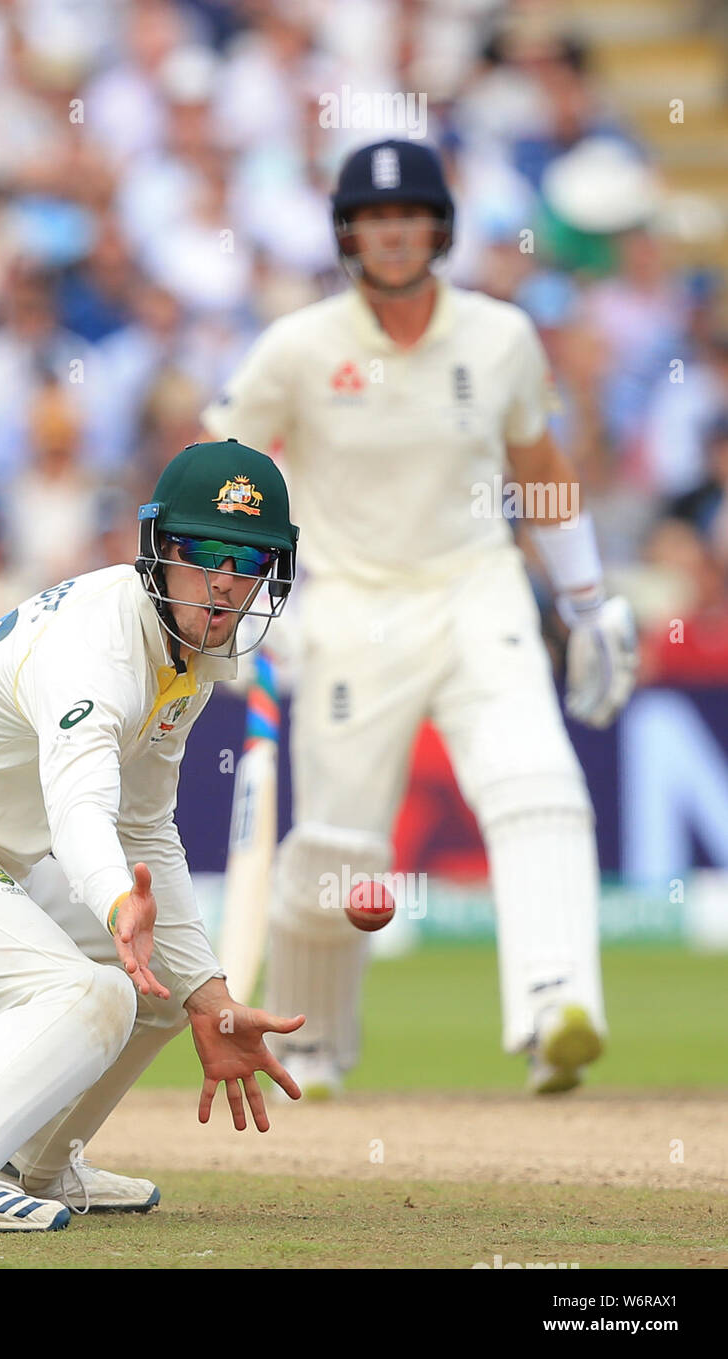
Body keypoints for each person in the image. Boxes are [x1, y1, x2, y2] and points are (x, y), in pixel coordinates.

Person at [201, 140, 637, 1098]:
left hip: (481, 593)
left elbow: (541, 471)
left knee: (539, 785)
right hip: (354, 608)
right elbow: (220, 470)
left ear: (438, 228)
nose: (391, 234)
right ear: (348, 233)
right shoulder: (298, 346)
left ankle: (554, 1004)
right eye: (371, 218)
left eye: (408, 217)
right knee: (336, 852)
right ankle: (313, 1044)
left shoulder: (501, 336)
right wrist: (225, 602)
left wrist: (589, 600)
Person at [0, 440, 304, 1232]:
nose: (226, 582)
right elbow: (80, 806)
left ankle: (36, 1161)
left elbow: (143, 825)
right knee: (89, 988)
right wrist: (113, 899)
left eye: (250, 560)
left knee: (167, 991)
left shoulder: (187, 659)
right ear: (159, 552)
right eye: (206, 552)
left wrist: (213, 996)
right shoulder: (97, 645)